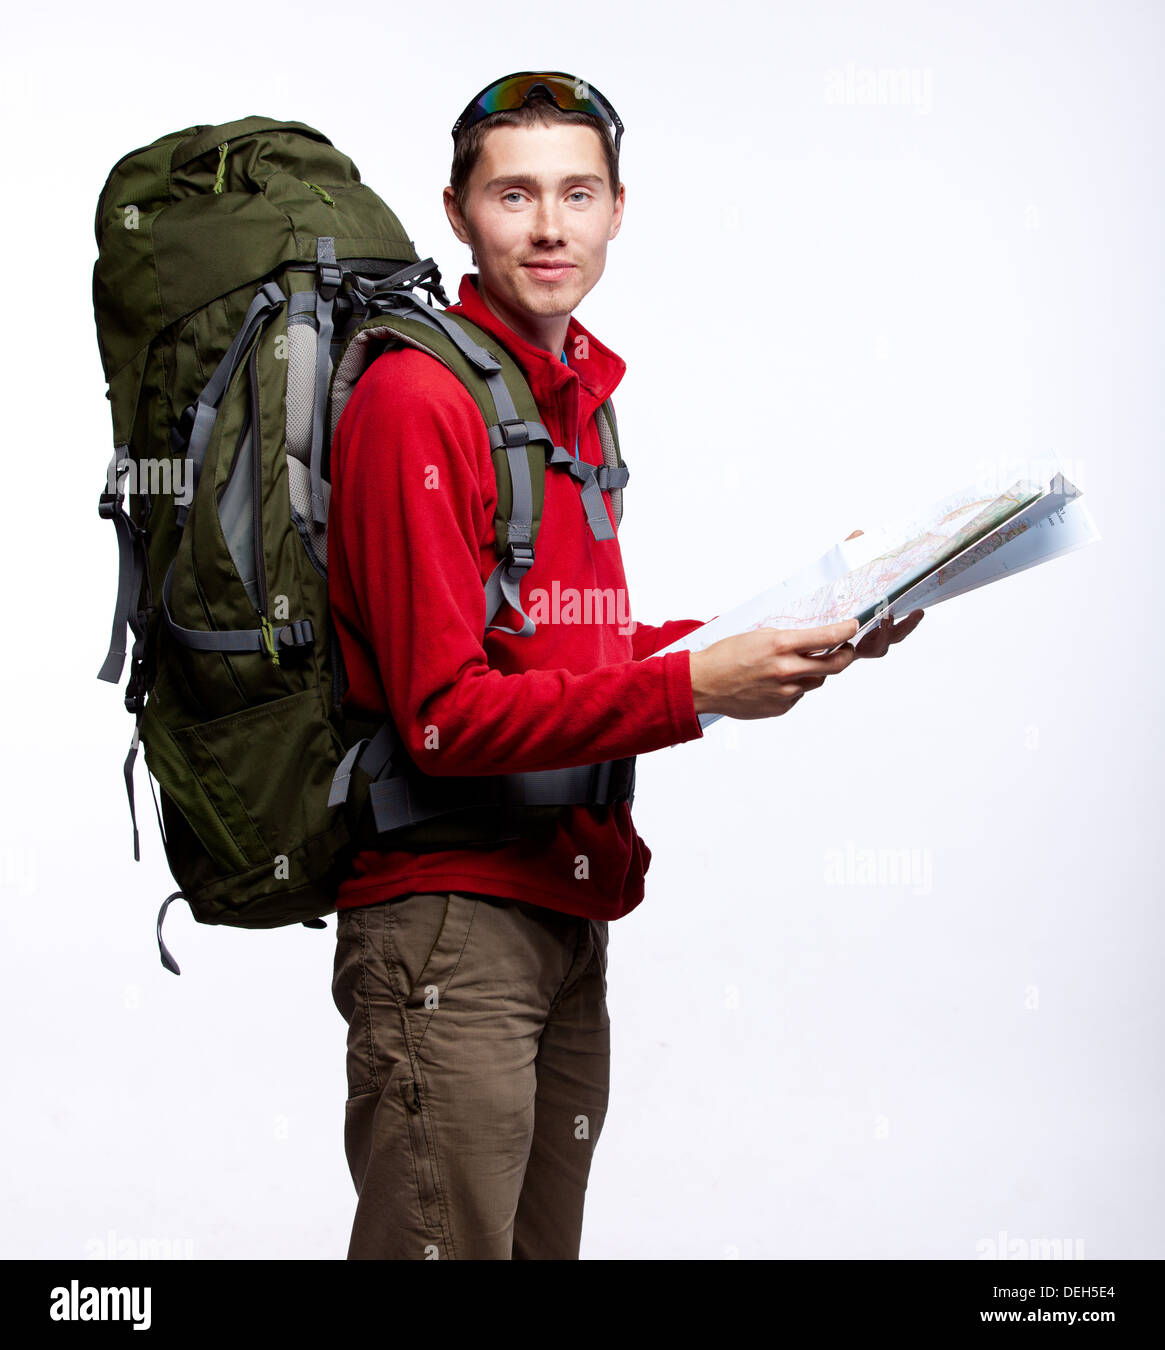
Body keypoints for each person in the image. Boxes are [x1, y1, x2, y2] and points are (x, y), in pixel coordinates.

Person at [327, 71, 923, 1261]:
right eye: (513, 194)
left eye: (576, 192)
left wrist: (799, 629)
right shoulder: (415, 399)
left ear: (616, 209)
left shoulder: (572, 398)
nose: (549, 226)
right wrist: (698, 689)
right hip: (450, 920)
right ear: (456, 213)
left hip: (566, 901)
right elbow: (442, 718)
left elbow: (572, 648)